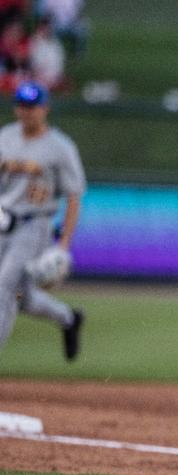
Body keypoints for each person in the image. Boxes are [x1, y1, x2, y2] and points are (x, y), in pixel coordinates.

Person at [0, 81, 85, 359]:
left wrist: (63, 245)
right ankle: (68, 318)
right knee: (21, 297)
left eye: (33, 106)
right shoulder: (5, 138)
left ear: (45, 108)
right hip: (3, 219)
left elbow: (74, 195)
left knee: (4, 287)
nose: (27, 112)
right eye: (22, 106)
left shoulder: (60, 147)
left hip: (34, 224)